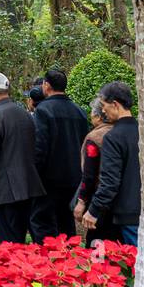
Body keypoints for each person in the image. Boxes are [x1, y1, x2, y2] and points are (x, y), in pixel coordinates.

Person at [0, 71, 45, 244]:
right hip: (29, 186)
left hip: (5, 190)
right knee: (22, 240)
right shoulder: (24, 113)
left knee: (9, 244)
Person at [30, 69, 90, 242]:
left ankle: (47, 263)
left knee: (42, 224)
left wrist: (35, 176)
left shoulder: (43, 110)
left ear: (46, 85)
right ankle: (69, 259)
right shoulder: (79, 111)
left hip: (48, 180)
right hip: (74, 178)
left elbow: (40, 148)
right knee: (66, 223)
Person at [83, 81, 140, 246]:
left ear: (115, 104)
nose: (102, 110)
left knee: (130, 265)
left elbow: (110, 181)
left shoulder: (113, 137)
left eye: (103, 105)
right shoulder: (143, 131)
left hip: (126, 213)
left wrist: (93, 210)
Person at [73, 98, 120, 244]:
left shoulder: (95, 137)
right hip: (122, 200)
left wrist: (81, 202)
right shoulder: (121, 132)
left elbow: (89, 175)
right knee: (117, 244)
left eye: (92, 115)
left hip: (99, 199)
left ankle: (97, 265)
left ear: (99, 117)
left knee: (96, 241)